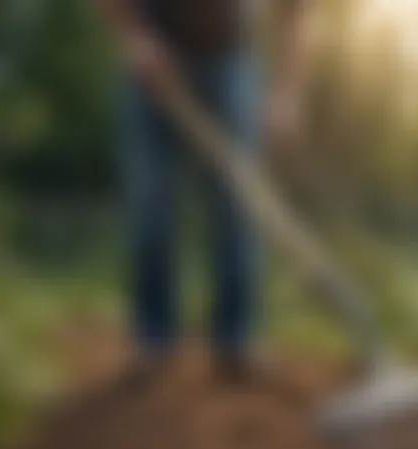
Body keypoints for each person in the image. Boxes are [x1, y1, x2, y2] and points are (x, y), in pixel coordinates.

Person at [101, 0, 308, 382]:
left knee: (238, 208)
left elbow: (297, 10)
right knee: (152, 208)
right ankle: (155, 339)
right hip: (155, 61)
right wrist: (136, 37)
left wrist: (286, 91)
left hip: (231, 61)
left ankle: (236, 340)